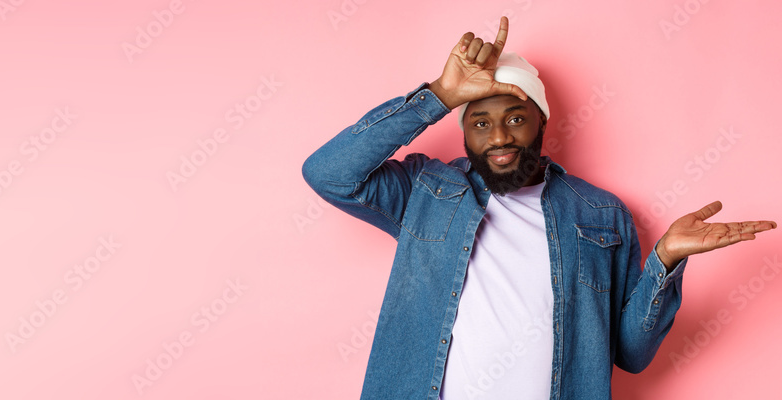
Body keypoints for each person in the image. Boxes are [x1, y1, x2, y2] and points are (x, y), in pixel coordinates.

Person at [301, 16, 777, 400]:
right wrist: (441, 95)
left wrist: (666, 260)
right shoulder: (425, 190)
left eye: (515, 118)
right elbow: (328, 173)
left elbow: (631, 355)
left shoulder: (600, 214)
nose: (499, 137)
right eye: (480, 123)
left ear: (541, 121)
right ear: (463, 131)